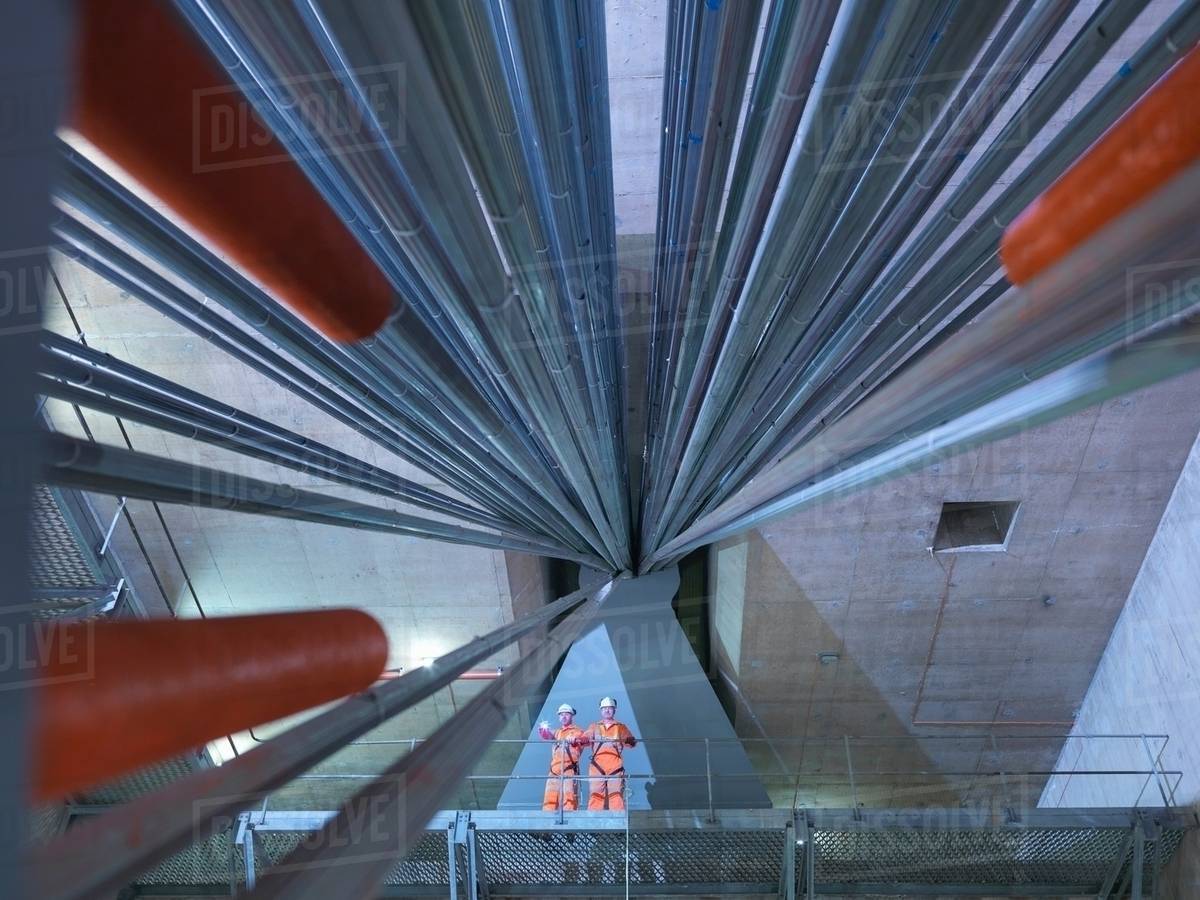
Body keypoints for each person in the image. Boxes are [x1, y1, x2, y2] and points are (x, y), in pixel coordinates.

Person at [581, 696, 637, 811]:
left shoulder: (620, 727)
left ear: (614, 710)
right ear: (601, 710)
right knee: (596, 794)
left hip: (614, 765)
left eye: (609, 708)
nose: (607, 710)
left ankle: (617, 822)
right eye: (604, 708)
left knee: (615, 795)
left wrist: (630, 740)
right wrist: (580, 739)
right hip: (597, 766)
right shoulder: (594, 726)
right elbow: (585, 738)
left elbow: (631, 743)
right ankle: (593, 822)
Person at [537, 702, 585, 812]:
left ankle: (569, 824)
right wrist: (542, 730)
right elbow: (548, 735)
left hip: (569, 771)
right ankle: (547, 823)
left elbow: (580, 737)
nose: (563, 717)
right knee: (550, 798)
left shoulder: (577, 731)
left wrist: (572, 739)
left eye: (566, 714)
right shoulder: (557, 732)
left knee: (569, 800)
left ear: (571, 716)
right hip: (554, 771)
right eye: (561, 714)